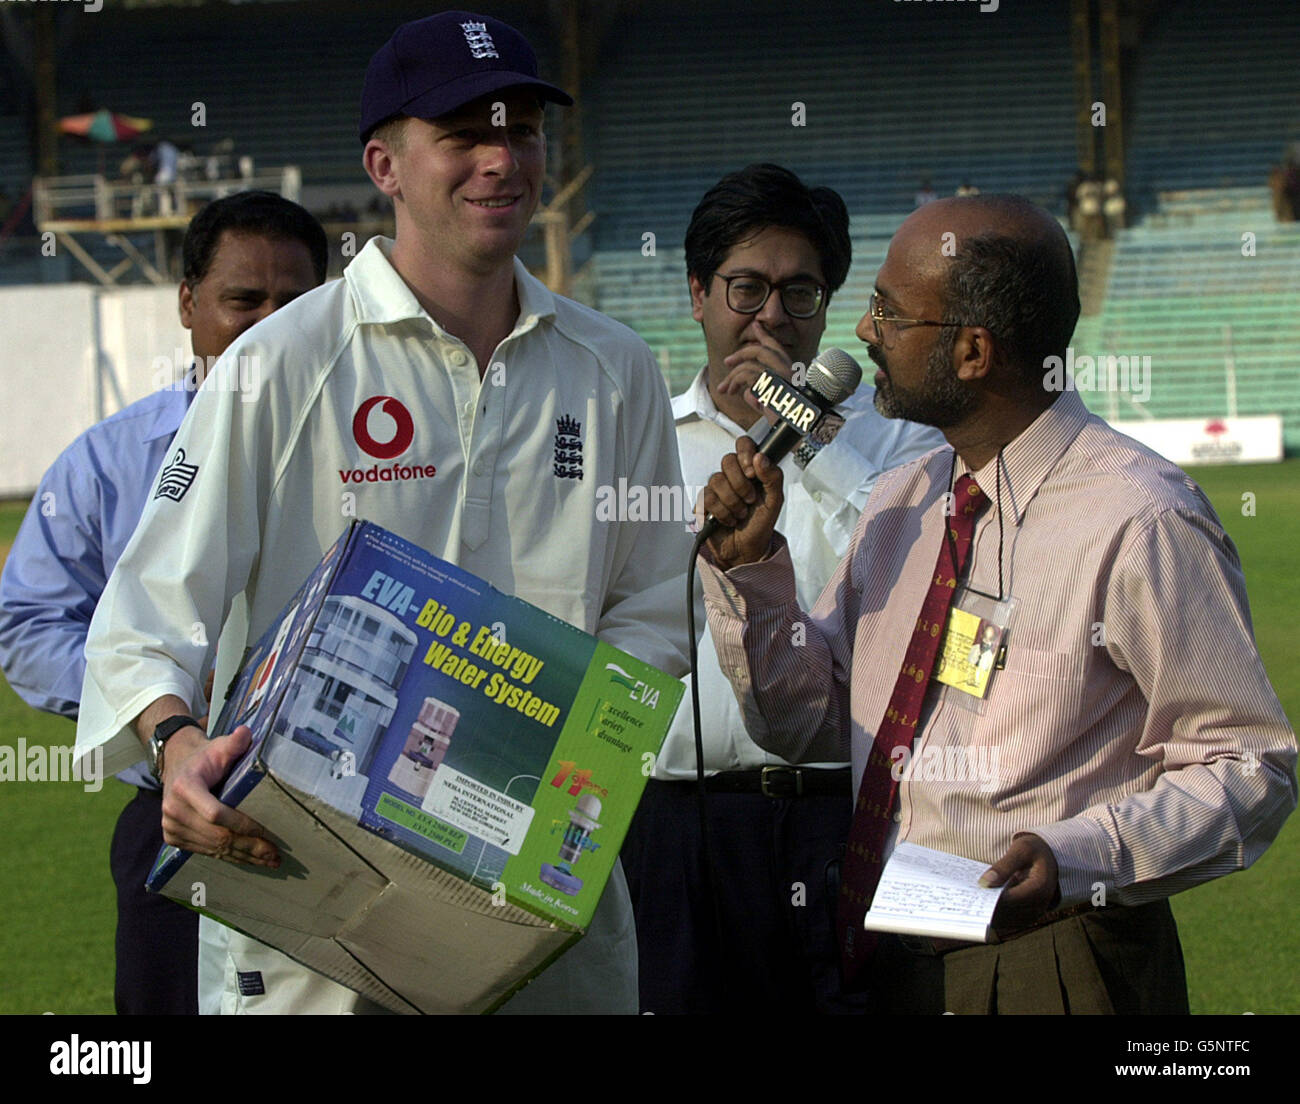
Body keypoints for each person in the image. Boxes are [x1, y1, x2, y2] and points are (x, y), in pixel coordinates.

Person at [74, 10, 690, 1015]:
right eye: (463, 136)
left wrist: (563, 759)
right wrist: (179, 747)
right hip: (310, 889)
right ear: (385, 164)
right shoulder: (281, 363)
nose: (502, 161)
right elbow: (151, 612)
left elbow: (656, 607)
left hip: (538, 895)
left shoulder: (612, 367)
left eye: (522, 131)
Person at [696, 193, 1296, 1014]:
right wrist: (755, 570)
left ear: (974, 351)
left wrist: (1077, 857)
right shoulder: (905, 500)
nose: (862, 333)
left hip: (1054, 955)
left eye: (888, 312)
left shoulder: (1140, 517)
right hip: (890, 955)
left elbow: (1248, 764)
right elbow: (812, 720)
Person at [620, 163, 942, 1014]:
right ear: (698, 294)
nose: (771, 316)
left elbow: (907, 584)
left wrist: (805, 432)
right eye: (747, 288)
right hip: (677, 822)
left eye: (801, 293)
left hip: (846, 813)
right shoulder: (643, 436)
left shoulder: (900, 443)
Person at [0, 190, 327, 1015]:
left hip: (345, 818)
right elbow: (30, 624)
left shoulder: (379, 448)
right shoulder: (108, 463)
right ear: (188, 304)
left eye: (294, 304)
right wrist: (164, 711)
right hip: (170, 821)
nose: (267, 327)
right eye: (242, 300)